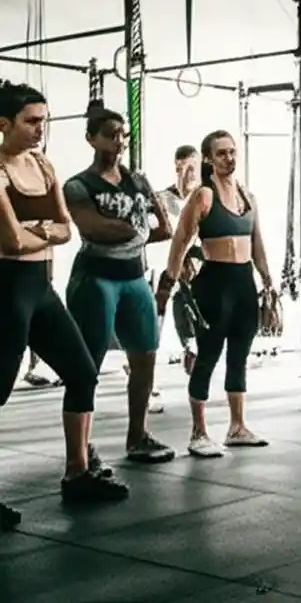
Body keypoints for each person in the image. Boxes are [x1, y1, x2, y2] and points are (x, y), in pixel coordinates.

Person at [1, 80, 129, 527]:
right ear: (4, 124)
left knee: (81, 372)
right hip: (6, 292)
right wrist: (39, 231)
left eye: (44, 120)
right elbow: (12, 241)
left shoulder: (44, 166)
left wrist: (34, 229)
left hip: (40, 290)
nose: (40, 129)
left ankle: (78, 472)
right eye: (32, 121)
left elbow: (65, 229)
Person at [63, 107, 175, 464]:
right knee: (87, 366)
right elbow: (93, 228)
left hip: (133, 278)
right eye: (111, 133)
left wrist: (148, 200)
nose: (120, 140)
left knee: (145, 357)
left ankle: (138, 436)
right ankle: (82, 448)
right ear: (91, 138)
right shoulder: (79, 184)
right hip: (96, 279)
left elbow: (163, 229)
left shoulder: (136, 181)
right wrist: (134, 229)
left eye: (123, 134)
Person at [157, 130, 274, 457]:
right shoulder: (203, 196)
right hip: (214, 284)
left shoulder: (247, 195)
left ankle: (237, 427)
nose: (229, 158)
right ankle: (198, 433)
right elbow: (181, 239)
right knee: (208, 356)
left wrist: (268, 281)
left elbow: (258, 243)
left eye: (232, 152)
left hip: (244, 283)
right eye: (221, 153)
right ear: (208, 158)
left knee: (240, 355)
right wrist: (169, 282)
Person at [157, 144, 202, 374]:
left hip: (195, 264)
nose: (190, 173)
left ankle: (191, 345)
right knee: (167, 304)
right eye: (185, 168)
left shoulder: (203, 198)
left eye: (194, 168)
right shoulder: (163, 199)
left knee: (189, 301)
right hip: (168, 263)